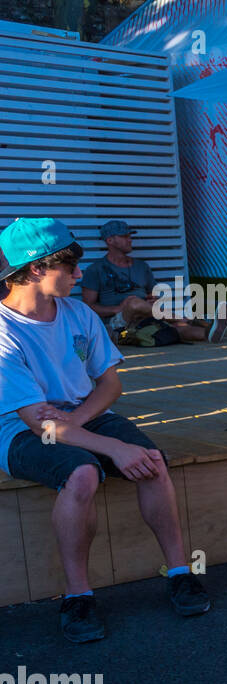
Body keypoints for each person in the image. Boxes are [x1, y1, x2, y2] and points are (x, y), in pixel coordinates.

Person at [0, 218, 210, 643]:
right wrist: (111, 448)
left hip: (80, 415)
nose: (80, 276)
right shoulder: (4, 330)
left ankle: (179, 573)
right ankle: (78, 597)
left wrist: (78, 422)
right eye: (71, 267)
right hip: (16, 431)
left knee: (151, 461)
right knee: (82, 472)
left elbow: (110, 383)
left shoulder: (77, 312)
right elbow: (39, 424)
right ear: (37, 268)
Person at [80, 221, 215, 343]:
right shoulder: (95, 269)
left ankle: (210, 331)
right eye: (124, 237)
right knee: (133, 302)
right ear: (110, 240)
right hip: (119, 323)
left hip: (145, 318)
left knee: (179, 329)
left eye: (130, 236)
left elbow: (153, 295)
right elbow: (88, 306)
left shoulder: (141, 266)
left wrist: (153, 300)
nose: (130, 240)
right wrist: (117, 308)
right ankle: (185, 318)